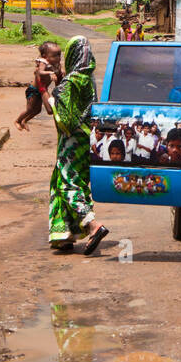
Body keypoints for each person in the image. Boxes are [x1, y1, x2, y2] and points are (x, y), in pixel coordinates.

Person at [46, 36, 109, 254]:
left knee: (67, 183)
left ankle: (92, 224)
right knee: (75, 180)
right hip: (87, 138)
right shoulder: (88, 79)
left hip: (71, 141)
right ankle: (64, 235)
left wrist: (48, 93)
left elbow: (63, 119)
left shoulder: (71, 81)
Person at [15, 41, 62, 131]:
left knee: (37, 110)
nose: (58, 58)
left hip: (41, 90)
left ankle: (24, 121)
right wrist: (50, 72)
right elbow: (40, 72)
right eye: (55, 55)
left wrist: (61, 70)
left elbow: (59, 70)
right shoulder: (43, 62)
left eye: (59, 55)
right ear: (45, 56)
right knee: (29, 109)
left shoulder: (55, 63)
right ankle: (18, 121)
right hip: (33, 90)